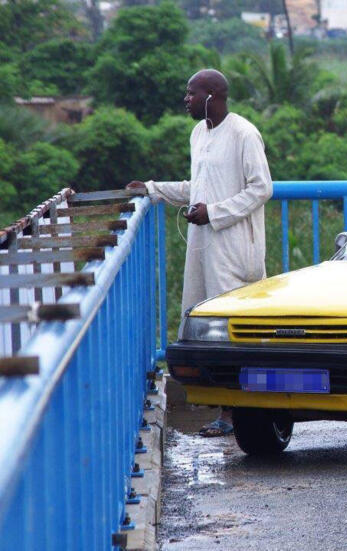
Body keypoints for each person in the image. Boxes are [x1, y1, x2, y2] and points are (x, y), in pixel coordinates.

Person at [126, 69, 273, 438]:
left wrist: (216, 212)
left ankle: (236, 413)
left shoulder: (243, 133)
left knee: (231, 329)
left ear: (212, 94)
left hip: (235, 246)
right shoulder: (199, 133)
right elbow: (199, 186)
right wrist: (152, 188)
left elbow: (262, 188)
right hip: (204, 245)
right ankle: (222, 406)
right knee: (205, 325)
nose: (185, 100)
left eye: (191, 93)